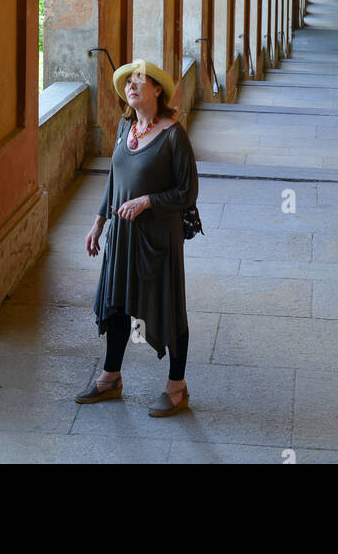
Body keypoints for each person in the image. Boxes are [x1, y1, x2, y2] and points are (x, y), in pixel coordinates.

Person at [75, 58, 199, 416]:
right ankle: (110, 377)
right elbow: (114, 179)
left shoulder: (174, 135)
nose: (131, 86)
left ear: (157, 90)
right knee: (115, 303)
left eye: (139, 80)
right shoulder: (124, 127)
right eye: (127, 81)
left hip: (158, 239)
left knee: (167, 306)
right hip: (121, 234)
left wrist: (147, 201)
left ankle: (177, 387)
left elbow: (188, 192)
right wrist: (98, 222)